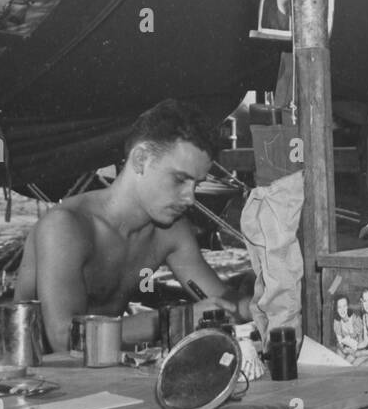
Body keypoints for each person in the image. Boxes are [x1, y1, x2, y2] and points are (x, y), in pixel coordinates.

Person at [13, 99, 241, 353]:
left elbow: (224, 302)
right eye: (179, 180)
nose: (190, 198)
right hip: (38, 380)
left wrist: (258, 304)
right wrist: (176, 320)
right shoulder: (66, 227)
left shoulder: (171, 230)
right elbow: (65, 340)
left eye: (196, 184)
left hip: (101, 373)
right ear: (141, 159)